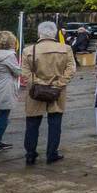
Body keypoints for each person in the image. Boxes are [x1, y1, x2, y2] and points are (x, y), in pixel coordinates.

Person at [21, 21, 74, 165]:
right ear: (55, 33)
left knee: (32, 122)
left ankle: (30, 154)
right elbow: (71, 70)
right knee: (55, 122)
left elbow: (25, 73)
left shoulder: (28, 50)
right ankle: (52, 153)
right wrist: (58, 84)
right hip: (57, 91)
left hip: (35, 91)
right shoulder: (66, 49)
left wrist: (39, 83)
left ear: (39, 33)